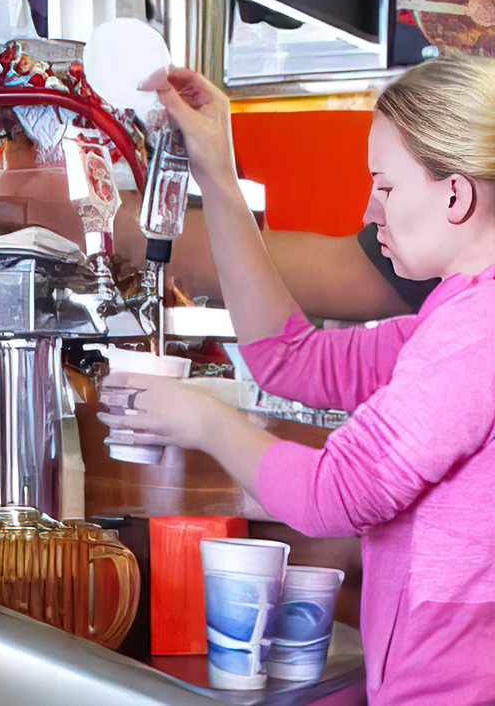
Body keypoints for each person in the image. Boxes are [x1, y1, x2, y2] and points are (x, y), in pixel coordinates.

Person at [99, 55, 495, 705]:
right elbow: (289, 358)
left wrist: (202, 419)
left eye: (386, 187)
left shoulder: (476, 333)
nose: (370, 210)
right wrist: (216, 168)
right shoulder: (454, 321)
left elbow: (334, 494)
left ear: (456, 195)